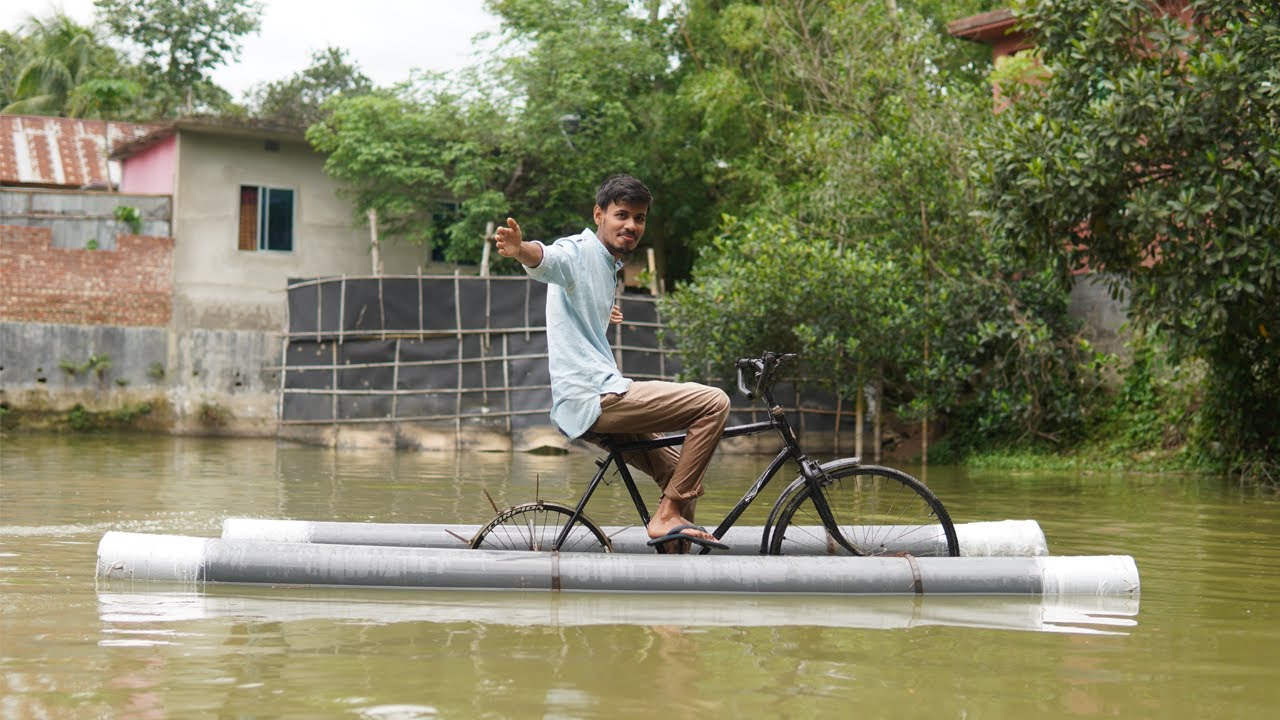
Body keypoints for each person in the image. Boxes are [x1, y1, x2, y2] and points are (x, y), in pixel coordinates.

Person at [494, 174, 731, 552]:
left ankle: (675, 569)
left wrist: (606, 311)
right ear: (598, 214)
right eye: (622, 215)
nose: (632, 225)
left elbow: (578, 300)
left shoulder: (606, 265)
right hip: (596, 396)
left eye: (639, 218)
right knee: (714, 402)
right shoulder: (579, 250)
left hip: (592, 397)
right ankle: (667, 514)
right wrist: (522, 249)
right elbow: (549, 259)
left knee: (678, 472)